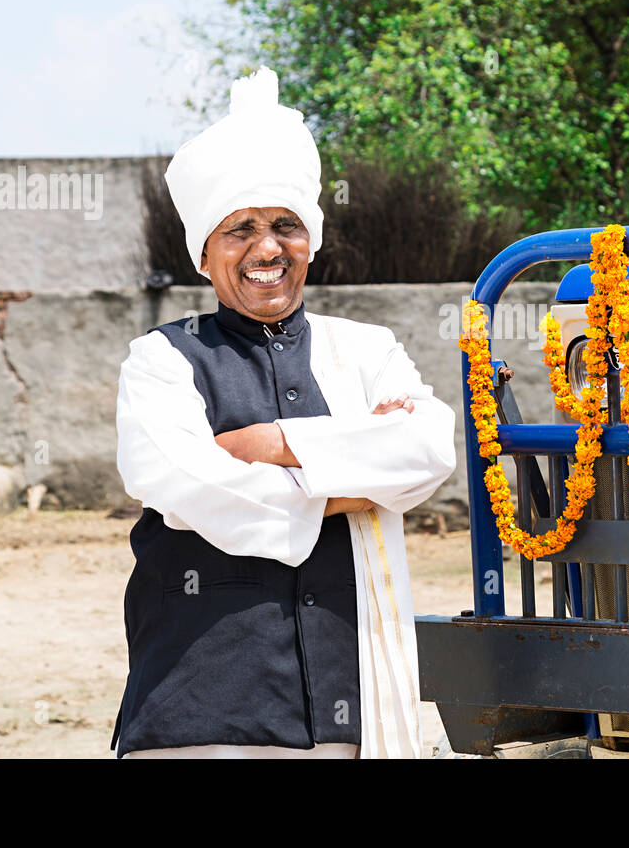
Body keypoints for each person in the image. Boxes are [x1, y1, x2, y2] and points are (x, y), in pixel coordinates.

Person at [110, 67, 457, 758]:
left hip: (350, 705)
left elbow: (429, 453)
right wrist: (357, 484)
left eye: (285, 226)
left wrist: (271, 442)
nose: (267, 249)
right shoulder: (161, 360)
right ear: (205, 255)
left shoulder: (365, 348)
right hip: (204, 705)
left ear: (312, 240)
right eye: (240, 229)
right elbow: (190, 489)